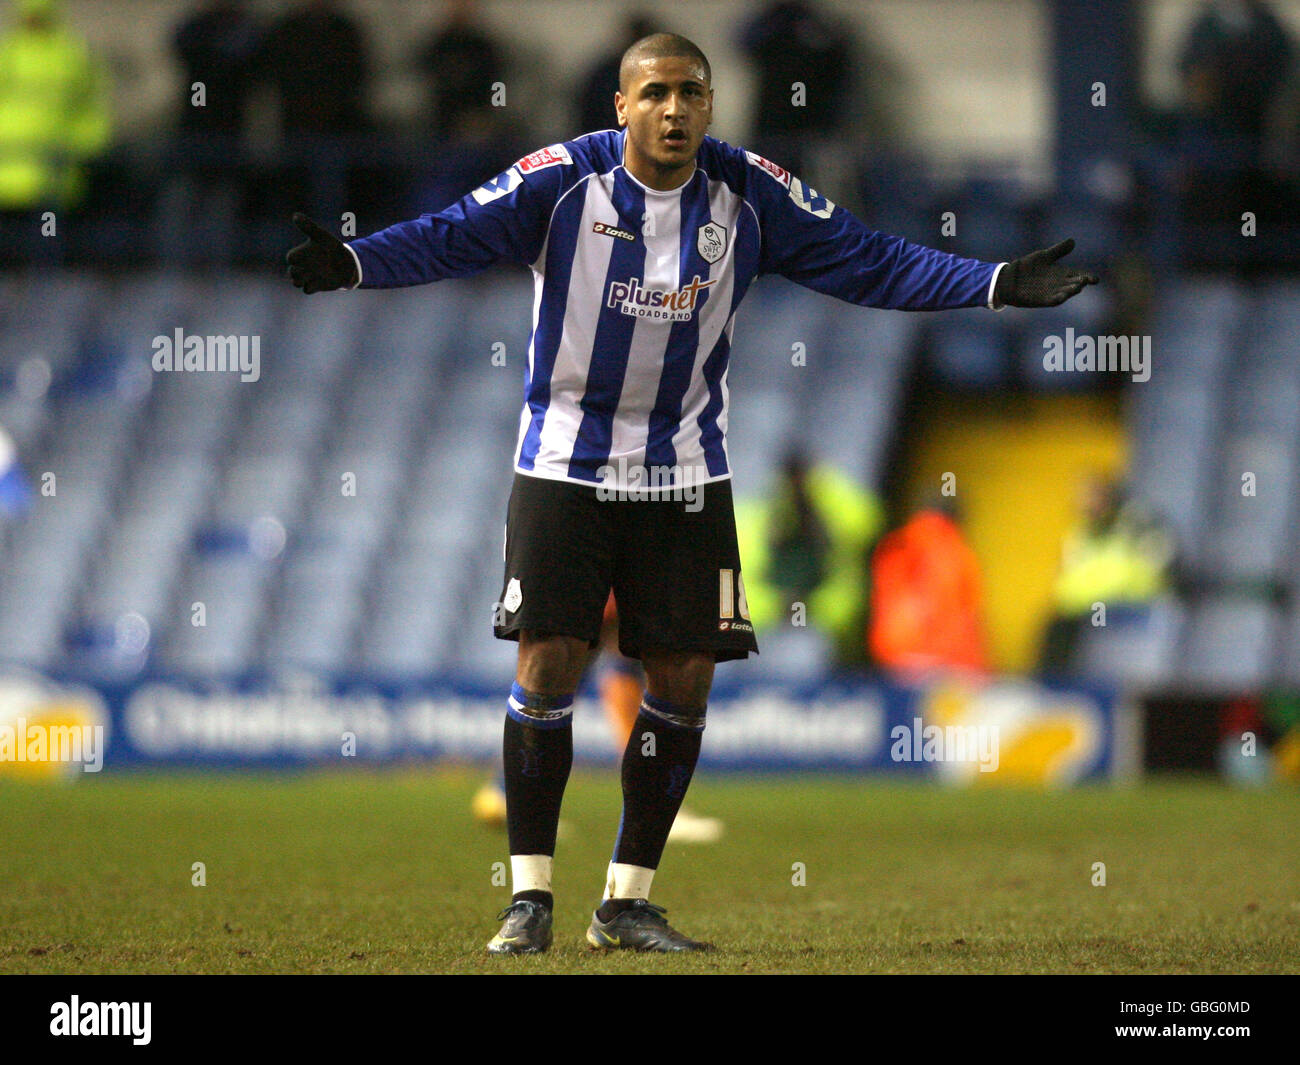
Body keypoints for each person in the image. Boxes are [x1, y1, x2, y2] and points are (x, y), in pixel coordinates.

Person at [285, 32, 1097, 954]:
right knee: (550, 660)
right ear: (621, 107)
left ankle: (625, 902)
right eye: (656, 93)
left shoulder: (750, 193)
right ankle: (529, 896)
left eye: (692, 94)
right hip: (564, 466)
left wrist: (992, 282)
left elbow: (870, 260)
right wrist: (356, 262)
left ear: (711, 106)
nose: (674, 110)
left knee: (684, 678)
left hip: (684, 474)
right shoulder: (560, 184)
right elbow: (449, 236)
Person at [472, 590, 725, 843]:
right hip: (613, 560)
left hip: (580, 563)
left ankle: (508, 792)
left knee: (573, 656)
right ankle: (652, 802)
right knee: (616, 649)